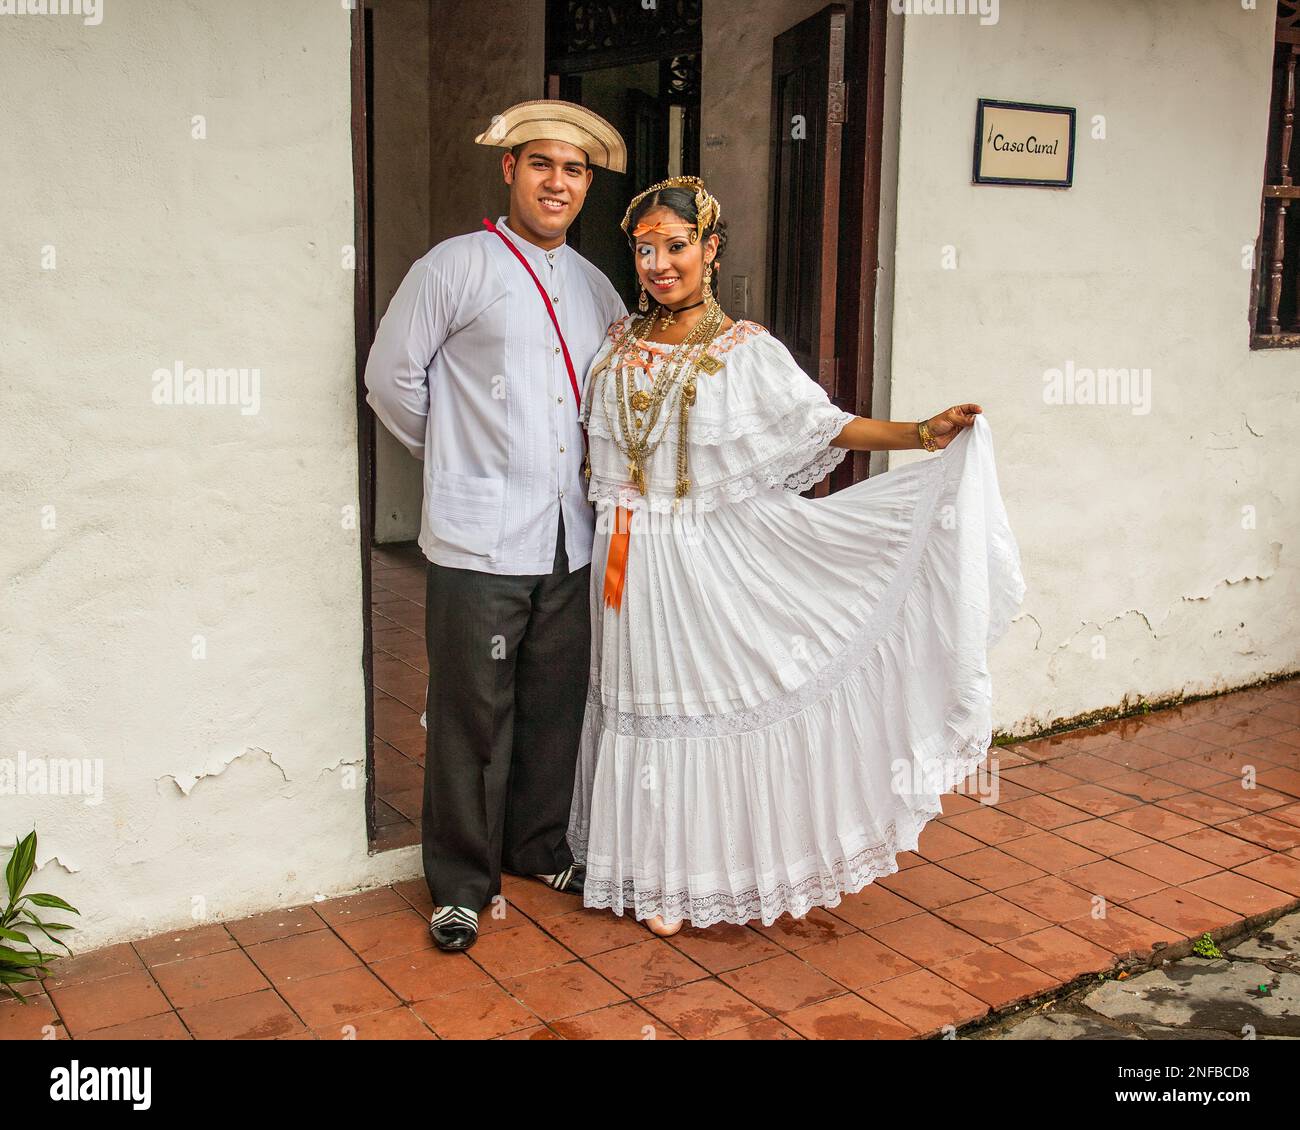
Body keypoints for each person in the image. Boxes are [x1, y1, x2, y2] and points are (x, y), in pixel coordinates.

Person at [567, 176, 1026, 935]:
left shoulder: (744, 350)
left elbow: (823, 425)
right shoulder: (618, 341)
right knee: (636, 704)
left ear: (710, 251)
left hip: (703, 561)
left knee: (700, 701)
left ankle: (695, 880)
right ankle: (648, 870)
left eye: (675, 247)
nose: (658, 264)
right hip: (625, 563)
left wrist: (918, 433)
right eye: (645, 250)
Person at [364, 100, 628, 951]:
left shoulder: (597, 288)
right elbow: (390, 378)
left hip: (572, 537)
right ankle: (460, 882)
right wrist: (455, 461)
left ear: (587, 187)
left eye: (575, 170)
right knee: (472, 709)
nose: (558, 182)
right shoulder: (456, 266)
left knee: (556, 705)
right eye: (542, 164)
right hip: (481, 539)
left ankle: (536, 843)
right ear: (509, 171)